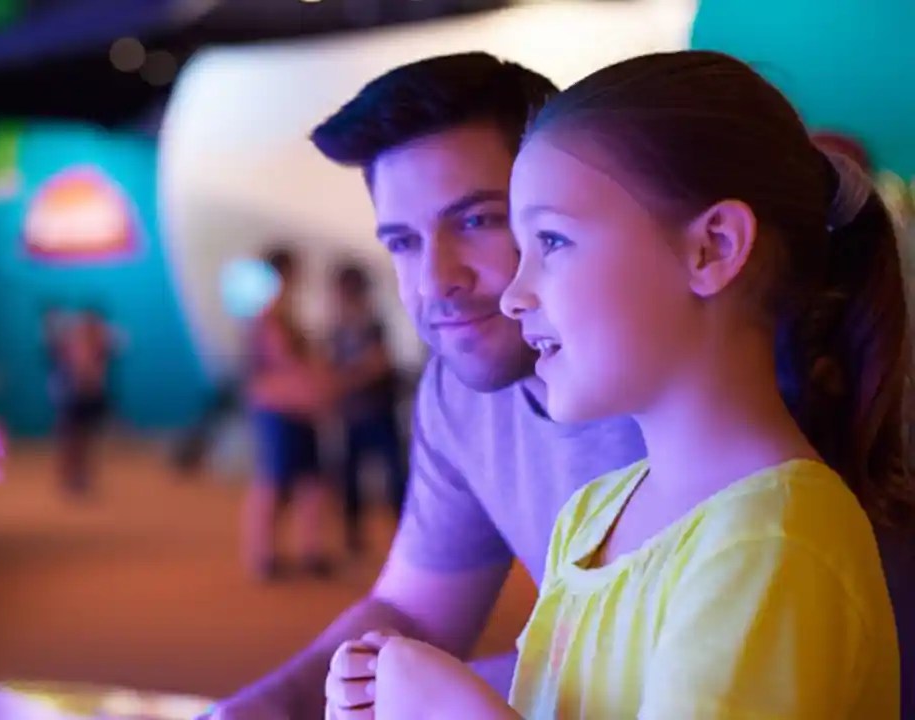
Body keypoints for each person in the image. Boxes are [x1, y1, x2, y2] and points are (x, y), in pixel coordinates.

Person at [207, 52, 913, 719]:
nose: (437, 281)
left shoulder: (764, 521)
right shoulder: (592, 507)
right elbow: (448, 627)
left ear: (713, 248)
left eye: (495, 225)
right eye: (401, 242)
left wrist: (453, 703)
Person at [243, 246, 335, 581]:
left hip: (295, 407)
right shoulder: (272, 317)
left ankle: (307, 549)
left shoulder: (281, 315)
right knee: (275, 481)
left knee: (309, 480)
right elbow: (286, 362)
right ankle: (262, 554)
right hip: (281, 407)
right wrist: (319, 387)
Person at [328, 263, 406, 555]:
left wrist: (344, 380)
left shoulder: (371, 326)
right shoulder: (339, 330)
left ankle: (403, 537)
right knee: (351, 480)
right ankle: (353, 537)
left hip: (377, 412)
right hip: (355, 414)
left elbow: (380, 363)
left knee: (395, 477)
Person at [45, 306, 116, 495]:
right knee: (72, 438)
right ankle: (70, 477)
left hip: (89, 397)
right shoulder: (74, 345)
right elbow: (75, 371)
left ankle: (80, 476)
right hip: (74, 397)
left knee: (86, 438)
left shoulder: (99, 345)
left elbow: (96, 374)